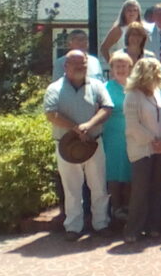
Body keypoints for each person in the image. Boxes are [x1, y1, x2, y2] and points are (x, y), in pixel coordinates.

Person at [44, 50, 114, 241]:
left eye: (83, 63)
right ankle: (73, 227)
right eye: (75, 64)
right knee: (71, 188)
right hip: (67, 147)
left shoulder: (97, 85)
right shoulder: (54, 88)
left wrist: (89, 125)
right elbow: (51, 114)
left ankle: (101, 223)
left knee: (99, 186)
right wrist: (76, 128)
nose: (80, 67)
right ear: (66, 66)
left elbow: (107, 108)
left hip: (93, 143)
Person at [122, 57, 161, 243]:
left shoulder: (158, 93)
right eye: (157, 71)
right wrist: (153, 140)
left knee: (158, 189)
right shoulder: (132, 95)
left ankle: (153, 226)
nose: (160, 75)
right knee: (140, 190)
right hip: (142, 149)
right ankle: (133, 229)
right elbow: (133, 125)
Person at [103, 53, 133, 221]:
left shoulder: (135, 86)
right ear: (112, 69)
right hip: (113, 135)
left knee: (130, 170)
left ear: (130, 68)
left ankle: (128, 206)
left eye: (124, 66)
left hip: (133, 135)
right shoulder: (105, 88)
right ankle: (115, 207)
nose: (121, 69)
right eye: (117, 66)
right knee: (114, 171)